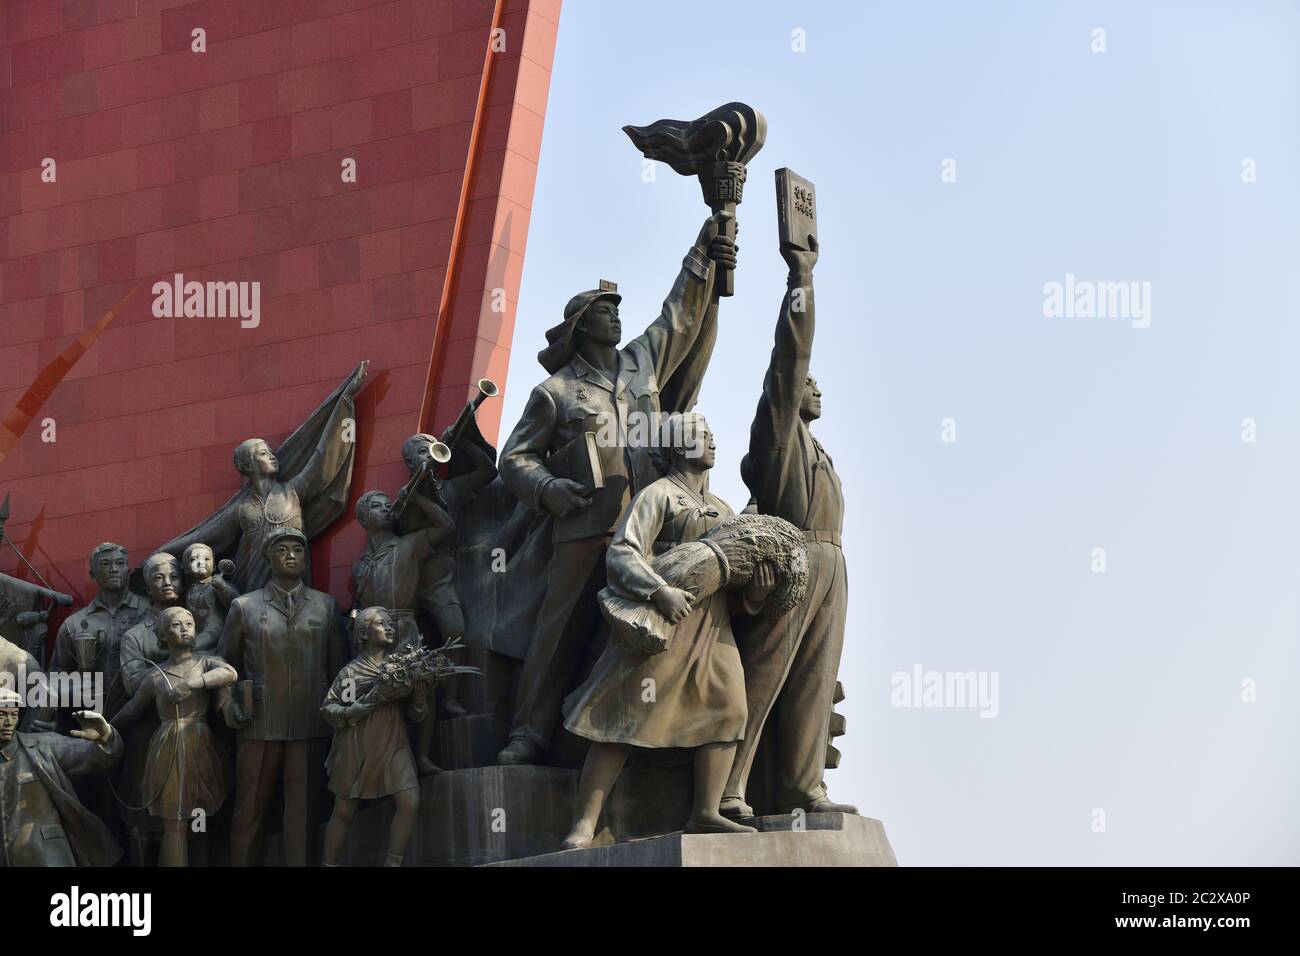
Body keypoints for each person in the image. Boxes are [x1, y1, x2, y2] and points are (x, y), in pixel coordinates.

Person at [495, 212, 734, 766]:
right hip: (586, 525)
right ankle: (528, 733)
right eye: (605, 311)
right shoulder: (555, 392)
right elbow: (515, 458)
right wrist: (549, 487)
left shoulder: (641, 364)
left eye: (618, 310)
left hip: (649, 523)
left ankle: (642, 742)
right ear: (581, 324)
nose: (616, 317)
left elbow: (677, 317)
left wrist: (703, 250)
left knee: (644, 631)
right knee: (560, 631)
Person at [560, 414, 776, 848]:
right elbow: (623, 553)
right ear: (678, 446)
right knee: (622, 720)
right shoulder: (658, 495)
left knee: (731, 708)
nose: (712, 441)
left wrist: (756, 591)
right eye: (701, 435)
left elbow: (735, 580)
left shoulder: (724, 510)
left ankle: (706, 812)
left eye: (713, 434)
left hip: (712, 626)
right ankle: (583, 825)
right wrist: (659, 592)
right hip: (662, 625)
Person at [721, 235, 858, 819]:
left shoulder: (815, 447)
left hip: (833, 565)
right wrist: (800, 277)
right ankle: (728, 786)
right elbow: (790, 355)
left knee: (814, 682)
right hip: (796, 560)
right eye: (810, 382)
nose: (816, 385)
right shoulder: (777, 437)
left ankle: (804, 788)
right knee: (766, 675)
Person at [218, 527, 346, 866]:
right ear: (268, 558)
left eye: (298, 550)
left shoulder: (326, 606)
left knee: (302, 815)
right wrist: (227, 703)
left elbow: (339, 672)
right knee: (249, 813)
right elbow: (224, 667)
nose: (291, 556)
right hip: (258, 722)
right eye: (282, 550)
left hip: (310, 721)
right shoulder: (243, 607)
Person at [110, 607, 236, 867]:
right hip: (169, 748)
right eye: (176, 625)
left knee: (200, 817)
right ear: (163, 636)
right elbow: (132, 709)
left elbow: (229, 673)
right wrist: (105, 728)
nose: (185, 628)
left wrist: (192, 684)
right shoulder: (156, 675)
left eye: (189, 623)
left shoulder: (205, 662)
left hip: (201, 746)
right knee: (175, 822)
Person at [350, 487, 454, 775]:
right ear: (362, 518)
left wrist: (417, 495)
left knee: (421, 688)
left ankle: (421, 757)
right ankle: (383, 760)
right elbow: (358, 602)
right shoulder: (359, 565)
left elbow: (445, 526)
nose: (386, 509)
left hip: (405, 626)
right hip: (371, 633)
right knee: (376, 695)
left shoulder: (409, 545)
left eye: (388, 505)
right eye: (377, 506)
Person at [320, 607, 429, 867]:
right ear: (363, 632)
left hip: (393, 742)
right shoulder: (351, 673)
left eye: (390, 623)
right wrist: (354, 710)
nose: (390, 627)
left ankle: (393, 863)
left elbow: (416, 715)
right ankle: (328, 864)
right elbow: (329, 709)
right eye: (381, 623)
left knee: (410, 800)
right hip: (357, 745)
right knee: (345, 810)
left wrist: (420, 693)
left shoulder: (401, 667)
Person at [0, 688, 123, 866]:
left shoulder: (44, 746)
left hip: (48, 856)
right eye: (2, 714)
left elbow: (100, 756)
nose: (9, 722)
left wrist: (105, 736)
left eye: (14, 714)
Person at [181, 543, 239, 654]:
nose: (201, 562)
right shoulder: (189, 590)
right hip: (195, 630)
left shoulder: (216, 584)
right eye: (194, 559)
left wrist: (223, 587)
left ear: (214, 567)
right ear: (186, 569)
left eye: (206, 559)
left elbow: (236, 603)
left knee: (191, 648)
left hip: (214, 629)